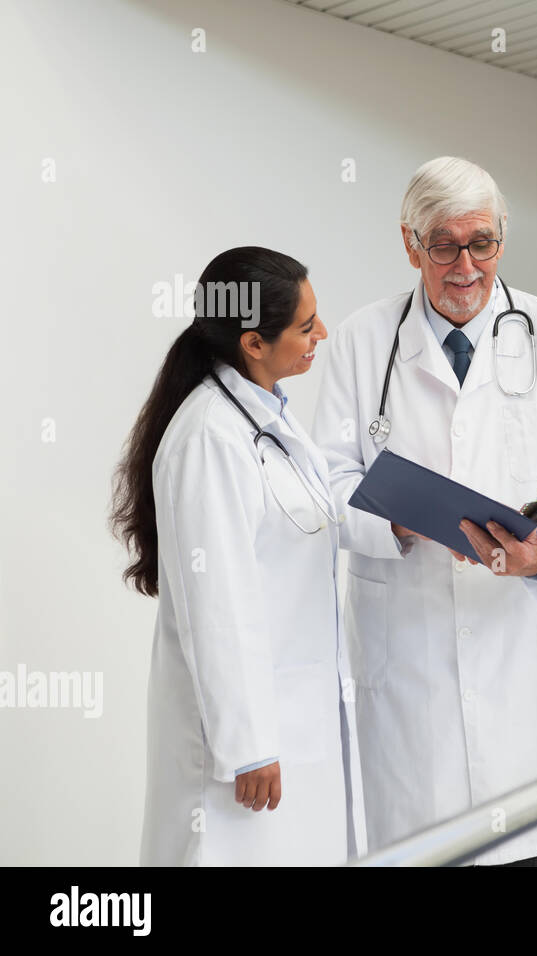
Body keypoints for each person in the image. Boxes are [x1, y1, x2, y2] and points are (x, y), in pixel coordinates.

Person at [311, 157, 537, 866]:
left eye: (483, 242)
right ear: (410, 244)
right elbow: (327, 481)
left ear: (502, 240)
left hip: (519, 649)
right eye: (444, 245)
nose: (466, 265)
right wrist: (398, 520)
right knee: (423, 848)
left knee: (521, 851)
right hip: (409, 652)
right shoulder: (363, 339)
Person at [112, 247, 365, 866]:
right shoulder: (209, 438)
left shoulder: (266, 419)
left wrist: (401, 524)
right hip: (243, 747)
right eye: (307, 327)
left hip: (292, 718)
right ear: (253, 342)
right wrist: (248, 744)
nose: (322, 336)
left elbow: (311, 526)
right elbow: (216, 600)